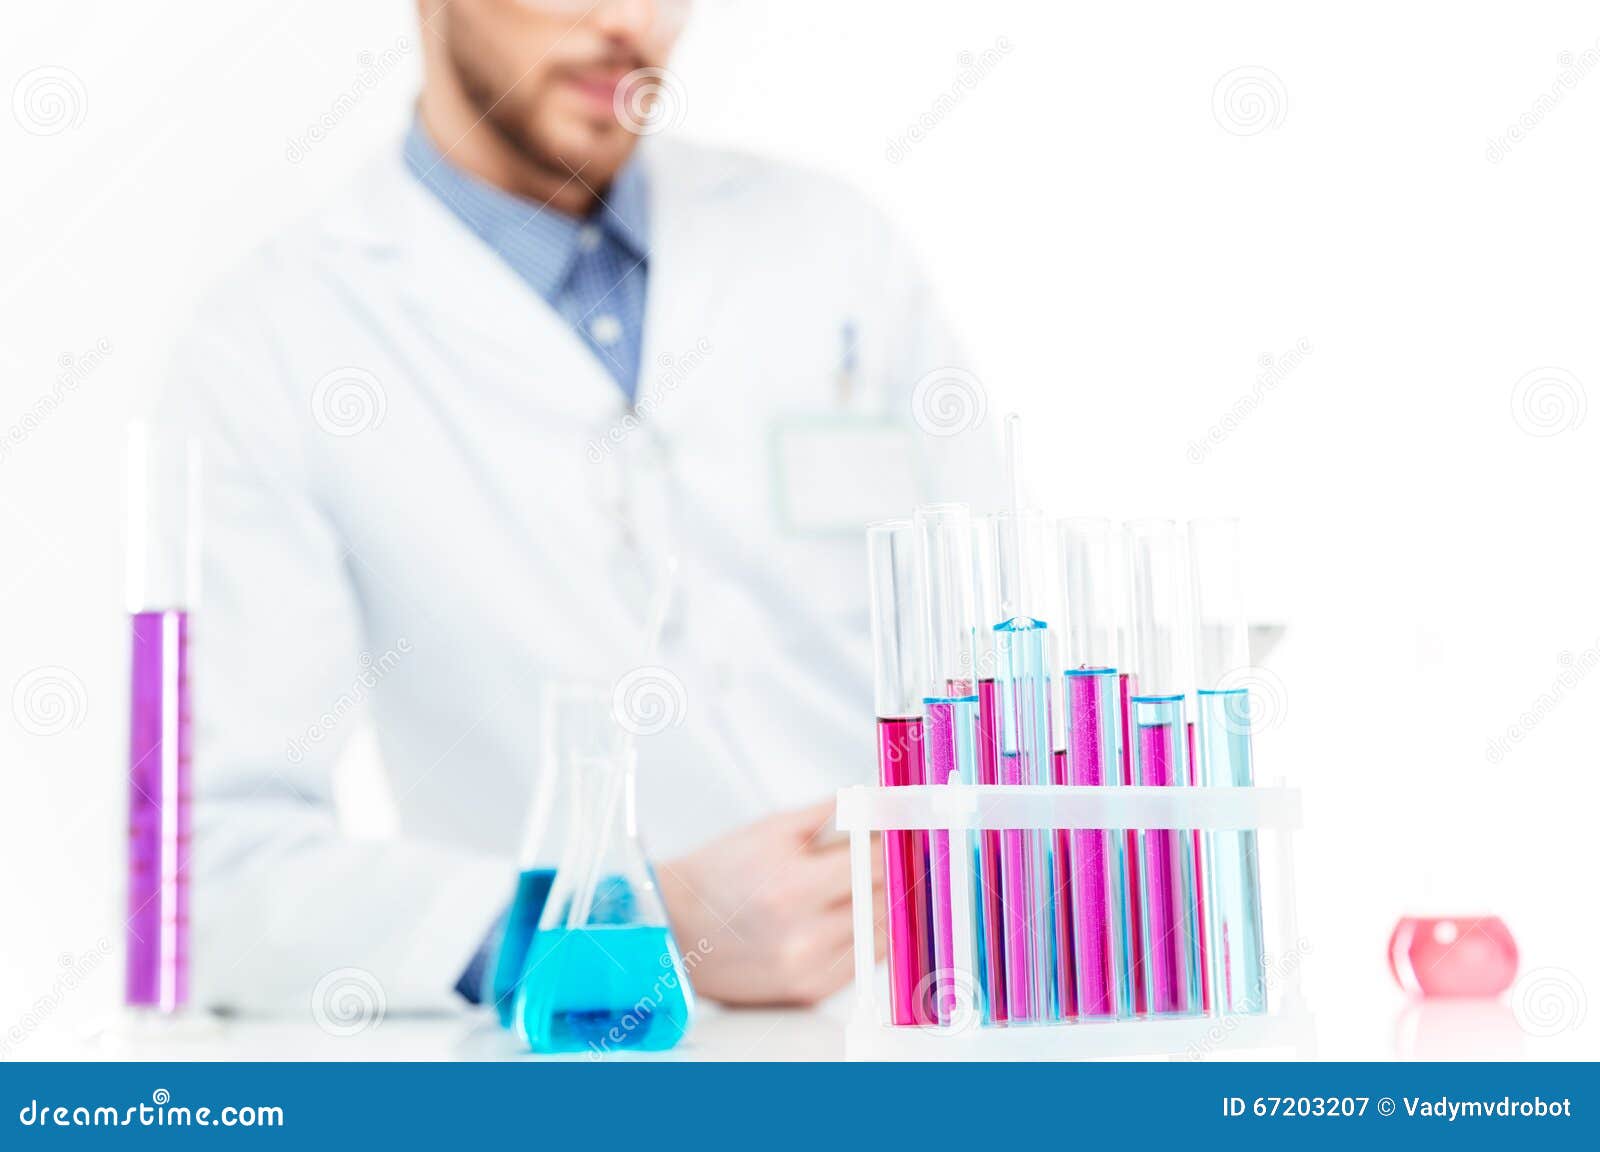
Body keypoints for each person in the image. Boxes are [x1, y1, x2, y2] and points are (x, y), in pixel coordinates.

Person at [163, 0, 992, 1015]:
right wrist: (628, 925)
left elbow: (1004, 653)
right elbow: (212, 879)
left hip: (950, 1015)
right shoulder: (275, 339)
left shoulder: (835, 246)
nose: (629, 22)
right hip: (609, 1059)